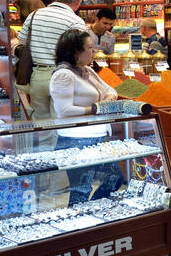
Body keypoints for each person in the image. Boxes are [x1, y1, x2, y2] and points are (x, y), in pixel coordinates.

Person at [50, 28, 121, 205]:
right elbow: (64, 110)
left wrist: (109, 99)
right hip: (75, 140)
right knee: (80, 191)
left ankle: (92, 211)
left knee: (115, 178)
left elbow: (110, 90)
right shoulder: (63, 75)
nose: (94, 50)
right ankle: (80, 225)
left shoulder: (87, 71)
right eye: (89, 47)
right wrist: (96, 108)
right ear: (75, 52)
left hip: (96, 136)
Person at [24, 0, 87, 120]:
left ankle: (45, 143)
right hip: (62, 75)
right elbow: (81, 53)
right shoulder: (75, 21)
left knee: (41, 123)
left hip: (37, 76)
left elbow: (21, 43)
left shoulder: (33, 15)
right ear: (78, 1)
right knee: (60, 120)